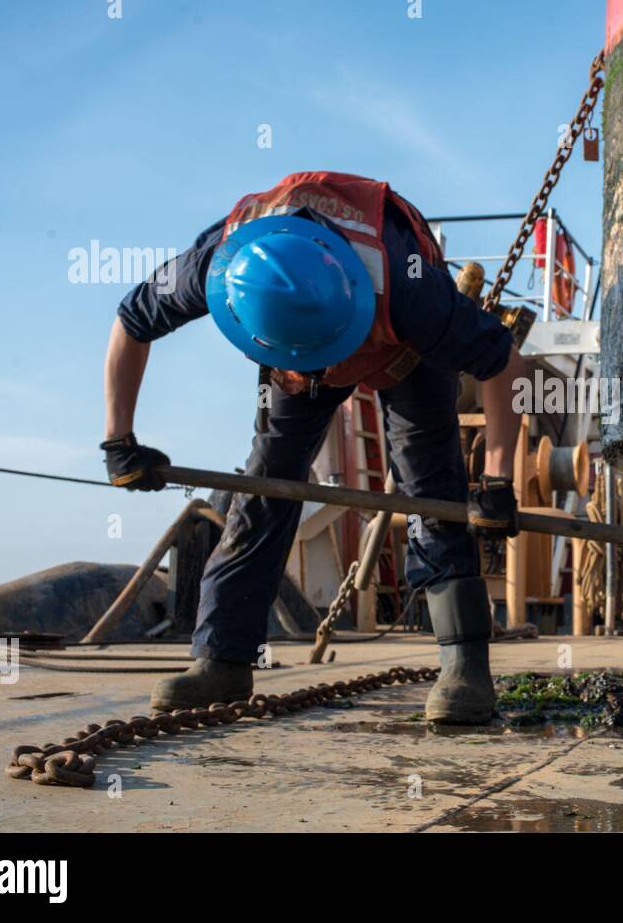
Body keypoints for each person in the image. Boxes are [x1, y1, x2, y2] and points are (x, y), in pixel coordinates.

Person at [102, 171, 524, 724]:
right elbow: (132, 321)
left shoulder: (409, 286)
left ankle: (465, 665)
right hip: (293, 357)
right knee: (265, 485)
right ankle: (223, 659)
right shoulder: (220, 259)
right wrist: (119, 440)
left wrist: (496, 481)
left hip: (403, 353)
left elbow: (506, 366)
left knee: (430, 489)